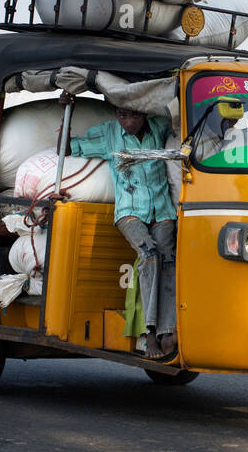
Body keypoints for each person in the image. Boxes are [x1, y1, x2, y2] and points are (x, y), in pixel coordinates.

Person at [60, 92, 178, 361]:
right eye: (122, 115)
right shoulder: (109, 134)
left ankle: (168, 331)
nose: (128, 122)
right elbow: (66, 150)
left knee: (168, 260)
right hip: (130, 213)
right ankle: (150, 333)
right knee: (149, 256)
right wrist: (67, 112)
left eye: (133, 115)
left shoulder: (160, 128)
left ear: (145, 113)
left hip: (162, 210)